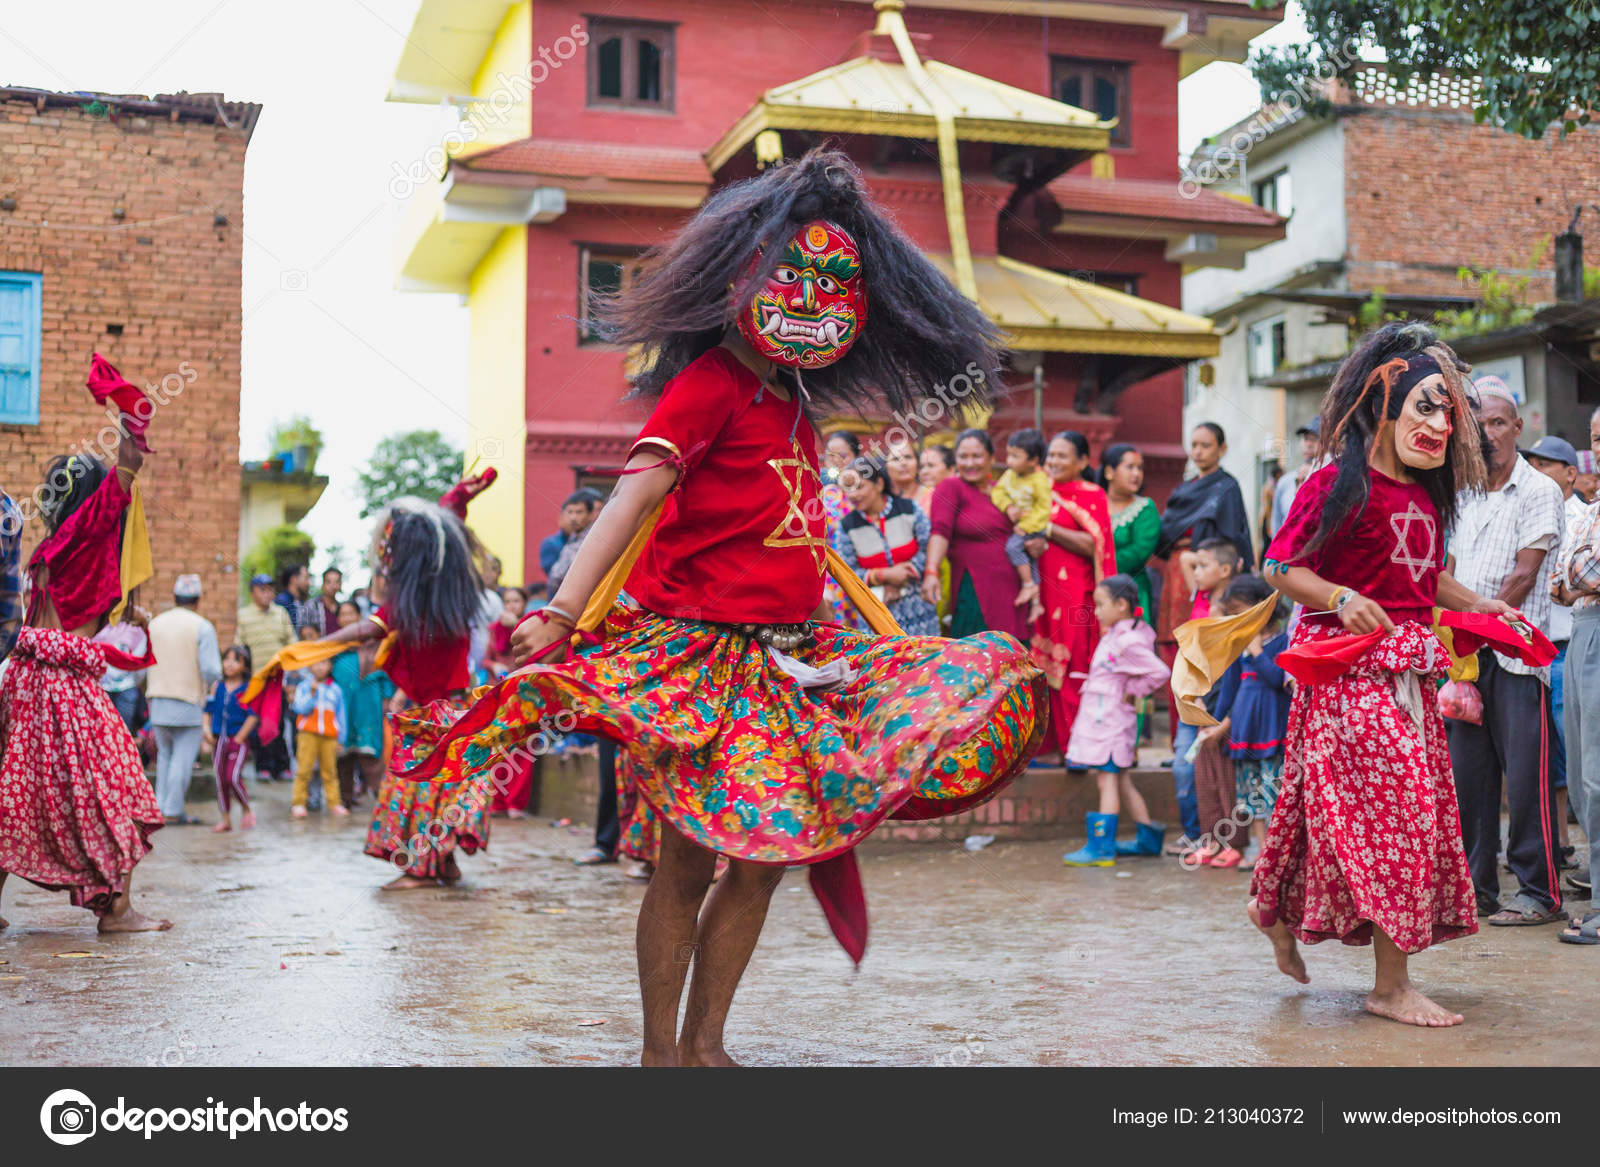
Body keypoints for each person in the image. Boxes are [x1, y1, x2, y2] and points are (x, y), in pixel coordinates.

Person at [386, 150, 1043, 1065]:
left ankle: (706, 1044)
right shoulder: (707, 385)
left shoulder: (797, 405)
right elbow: (630, 499)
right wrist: (565, 609)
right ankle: (661, 1053)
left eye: (834, 283)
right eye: (794, 275)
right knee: (689, 859)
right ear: (741, 279)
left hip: (787, 664)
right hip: (697, 661)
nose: (813, 298)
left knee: (766, 860)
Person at [1251, 320, 1522, 1027]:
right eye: (1425, 407)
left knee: (1352, 817)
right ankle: (1391, 987)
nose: (1439, 425)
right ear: (1384, 404)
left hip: (1411, 681)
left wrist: (1480, 604)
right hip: (1346, 681)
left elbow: (1423, 581)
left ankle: (1271, 908)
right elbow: (1278, 566)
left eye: (1448, 414)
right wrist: (1340, 597)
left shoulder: (1428, 497)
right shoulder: (1334, 485)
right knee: (1402, 817)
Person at [0, 388, 171, 932]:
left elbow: (65, 611)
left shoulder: (49, 550)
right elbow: (129, 466)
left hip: (25, 681)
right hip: (63, 687)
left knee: (17, 793)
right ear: (93, 501)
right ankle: (118, 910)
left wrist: (124, 618)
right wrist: (131, 417)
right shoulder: (87, 532)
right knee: (119, 787)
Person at [1446, 376, 1567, 927]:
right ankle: (1478, 889)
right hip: (1464, 656)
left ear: (1518, 427)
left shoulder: (1538, 489)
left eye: (1498, 422)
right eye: (1479, 424)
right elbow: (1446, 570)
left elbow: (1523, 575)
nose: (1488, 433)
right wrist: (1454, 637)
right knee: (1469, 779)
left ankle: (1539, 891)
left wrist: (1472, 623)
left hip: (1517, 655)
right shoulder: (1462, 491)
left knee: (1525, 781)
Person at [1061, 574, 1171, 865]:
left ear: (1121, 605)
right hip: (1107, 719)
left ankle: (1101, 847)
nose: (1096, 611)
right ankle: (1148, 840)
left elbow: (1160, 672)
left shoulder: (1127, 642)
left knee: (1106, 781)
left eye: (1101, 604)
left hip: (1109, 722)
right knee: (1121, 780)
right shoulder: (1119, 636)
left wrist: (1132, 690)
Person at [1027, 431, 1115, 764]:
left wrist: (1048, 529)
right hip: (1041, 595)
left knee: (1074, 667)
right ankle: (1047, 748)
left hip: (1075, 595)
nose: (1054, 461)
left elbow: (1095, 544)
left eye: (1062, 456)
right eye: (1051, 455)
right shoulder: (1038, 490)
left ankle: (1076, 748)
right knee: (1040, 669)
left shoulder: (1092, 494)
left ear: (1082, 461)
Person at [1201, 574, 1290, 870]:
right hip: (1244, 729)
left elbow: (1277, 679)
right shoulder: (1238, 646)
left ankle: (1277, 855)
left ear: (1263, 607)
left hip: (1272, 729)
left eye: (1242, 612)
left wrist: (1257, 651)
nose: (1239, 620)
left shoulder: (1283, 642)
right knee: (1251, 795)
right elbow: (1229, 689)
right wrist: (1215, 722)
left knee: (1273, 792)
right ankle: (1262, 852)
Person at [1525, 435, 1586, 862]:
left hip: (1568, 646)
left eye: (1547, 464)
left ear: (1570, 473)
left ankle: (1582, 849)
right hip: (1532, 650)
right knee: (1544, 754)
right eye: (1533, 464)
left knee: (1576, 749)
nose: (1538, 471)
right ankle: (1559, 843)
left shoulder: (1584, 518)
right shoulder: (1527, 512)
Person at [1555, 406, 1600, 939]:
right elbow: (1561, 579)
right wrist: (1577, 574)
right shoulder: (1591, 509)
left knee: (1598, 776)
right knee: (1587, 779)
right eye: (1596, 438)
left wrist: (1576, 572)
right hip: (1583, 630)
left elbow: (1584, 570)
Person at [923, 429, 1028, 640]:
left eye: (977, 456)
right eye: (963, 457)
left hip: (1014, 589)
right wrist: (931, 571)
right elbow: (940, 531)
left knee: (1014, 652)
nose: (970, 463)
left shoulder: (1001, 491)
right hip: (974, 588)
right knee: (977, 651)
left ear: (991, 458)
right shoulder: (951, 487)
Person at [1176, 538, 1242, 863]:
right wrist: (1198, 706)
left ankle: (1232, 846)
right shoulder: (1201, 604)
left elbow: (1237, 690)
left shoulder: (1235, 649)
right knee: (1202, 783)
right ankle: (1208, 841)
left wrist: (1222, 723)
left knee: (1226, 786)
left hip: (1223, 722)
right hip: (1202, 715)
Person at [145, 574, 223, 826]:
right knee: (182, 758)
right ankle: (172, 810)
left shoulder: (155, 624)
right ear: (198, 600)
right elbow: (211, 670)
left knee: (165, 757)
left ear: (174, 598)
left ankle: (160, 807)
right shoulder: (202, 626)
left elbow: (140, 663)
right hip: (188, 700)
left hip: (158, 699)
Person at [834, 459, 938, 636]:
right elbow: (847, 574)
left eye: (859, 487)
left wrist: (905, 573)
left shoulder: (909, 509)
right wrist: (884, 576)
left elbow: (928, 548)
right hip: (876, 618)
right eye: (848, 488)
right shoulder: (846, 527)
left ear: (879, 484)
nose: (853, 494)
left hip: (919, 610)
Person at [330, 599, 393, 812]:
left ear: (359, 617)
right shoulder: (333, 648)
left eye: (351, 614)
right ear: (338, 620)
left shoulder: (374, 644)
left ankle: (382, 800)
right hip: (343, 709)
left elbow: (386, 674)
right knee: (343, 756)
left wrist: (387, 699)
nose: (347, 618)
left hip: (368, 707)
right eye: (343, 614)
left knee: (371, 755)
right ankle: (345, 799)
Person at [237, 571, 294, 782]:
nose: (267, 593)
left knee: (278, 723)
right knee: (258, 723)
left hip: (279, 681)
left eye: (270, 589)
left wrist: (291, 678)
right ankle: (263, 767)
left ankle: (282, 766)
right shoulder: (244, 616)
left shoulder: (281, 613)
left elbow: (292, 644)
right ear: (252, 593)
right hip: (255, 680)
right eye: (262, 589)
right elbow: (239, 647)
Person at [991, 428, 1051, 622]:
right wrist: (1008, 507)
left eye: (1016, 456)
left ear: (1033, 460)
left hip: (1033, 526)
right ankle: (1036, 604)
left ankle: (1027, 585)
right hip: (1021, 525)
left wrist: (1026, 526)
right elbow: (998, 492)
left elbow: (1044, 509)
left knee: (1013, 548)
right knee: (1031, 563)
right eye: (1009, 454)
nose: (1009, 460)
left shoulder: (1040, 481)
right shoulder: (1010, 475)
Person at [1100, 443, 1160, 625]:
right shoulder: (1094, 504)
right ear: (1109, 472)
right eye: (1130, 467)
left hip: (1131, 592)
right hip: (1093, 591)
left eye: (1140, 468)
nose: (1137, 474)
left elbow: (1139, 552)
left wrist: (1098, 563)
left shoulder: (1144, 508)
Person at [204, 645, 259, 833]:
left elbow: (253, 716)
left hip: (239, 740)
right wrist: (206, 731)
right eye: (226, 659)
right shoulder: (217, 687)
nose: (229, 664)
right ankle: (225, 819)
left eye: (236, 660)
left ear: (245, 665)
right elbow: (208, 710)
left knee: (232, 777)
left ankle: (246, 808)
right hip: (218, 740)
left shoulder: (249, 689)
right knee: (220, 780)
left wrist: (240, 737)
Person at [290, 657, 347, 819]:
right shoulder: (303, 687)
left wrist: (341, 739)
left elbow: (341, 715)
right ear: (309, 666)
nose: (320, 667)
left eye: (324, 663)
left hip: (329, 736)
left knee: (330, 772)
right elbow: (300, 708)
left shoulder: (336, 689)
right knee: (304, 770)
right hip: (307, 734)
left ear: (330, 666)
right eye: (316, 663)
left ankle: (334, 803)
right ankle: (298, 803)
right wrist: (312, 694)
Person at [1271, 418, 1323, 537]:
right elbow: (1277, 527)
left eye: (1314, 439)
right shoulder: (1285, 482)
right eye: (1305, 439)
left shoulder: (1331, 482)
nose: (1308, 444)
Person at [540, 489, 603, 578]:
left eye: (579, 512)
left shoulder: (596, 539)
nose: (573, 518)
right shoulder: (570, 538)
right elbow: (554, 576)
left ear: (590, 514)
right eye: (570, 512)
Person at [486, 585, 527, 675]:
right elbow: (485, 660)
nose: (512, 606)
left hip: (524, 677)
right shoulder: (495, 628)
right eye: (507, 602)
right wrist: (494, 665)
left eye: (516, 601)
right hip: (500, 679)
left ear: (525, 603)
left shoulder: (531, 625)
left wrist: (515, 625)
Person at [275, 564, 320, 633]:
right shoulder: (282, 602)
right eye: (306, 578)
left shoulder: (298, 602)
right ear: (293, 579)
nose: (308, 583)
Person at [915, 443, 953, 514]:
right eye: (921, 467)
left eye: (931, 465)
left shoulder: (957, 497)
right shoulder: (926, 496)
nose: (924, 472)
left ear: (951, 469)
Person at [315, 567, 343, 636]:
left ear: (340, 585)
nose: (333, 586)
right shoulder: (312, 606)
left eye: (337, 582)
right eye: (328, 582)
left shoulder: (342, 607)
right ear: (323, 584)